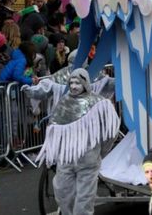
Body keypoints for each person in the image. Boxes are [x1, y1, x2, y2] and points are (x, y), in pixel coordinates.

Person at [33, 68, 121, 215]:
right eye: (71, 82)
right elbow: (54, 131)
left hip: (88, 160)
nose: (73, 86)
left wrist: (100, 152)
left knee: (84, 199)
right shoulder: (63, 103)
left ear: (85, 83)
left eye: (77, 83)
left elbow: (112, 132)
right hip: (66, 161)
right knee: (62, 193)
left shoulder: (99, 103)